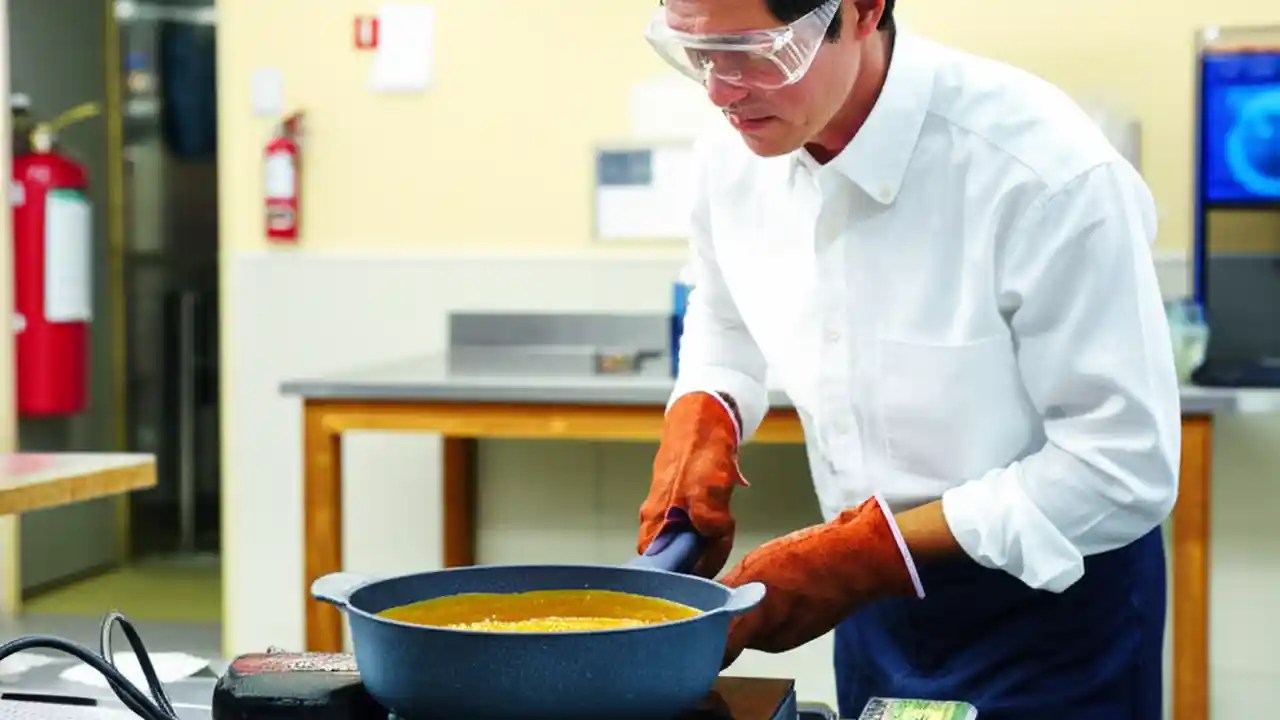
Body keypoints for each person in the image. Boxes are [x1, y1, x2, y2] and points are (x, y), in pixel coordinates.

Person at [634, 1, 1182, 718]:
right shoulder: (735, 149)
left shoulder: (1042, 171)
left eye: (755, 50)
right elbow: (723, 309)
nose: (722, 90)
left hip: (1052, 617)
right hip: (875, 610)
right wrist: (706, 415)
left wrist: (860, 555)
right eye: (698, 54)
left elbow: (1124, 466)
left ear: (863, 11)